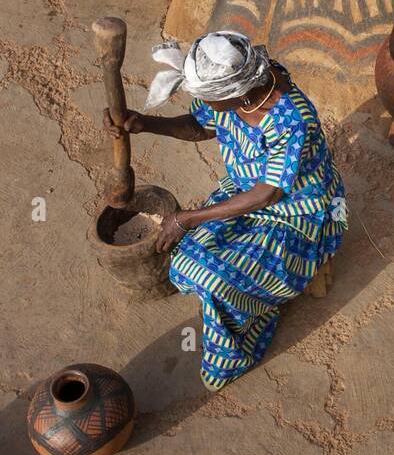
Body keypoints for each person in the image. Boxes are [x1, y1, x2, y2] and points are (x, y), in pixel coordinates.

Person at [104, 31, 346, 390]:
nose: (203, 104)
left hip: (298, 213)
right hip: (244, 193)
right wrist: (145, 123)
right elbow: (200, 127)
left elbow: (268, 194)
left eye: (207, 99)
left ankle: (238, 344)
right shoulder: (240, 90)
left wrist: (187, 218)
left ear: (235, 94)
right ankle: (251, 297)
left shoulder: (291, 117)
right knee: (185, 261)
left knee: (211, 277)